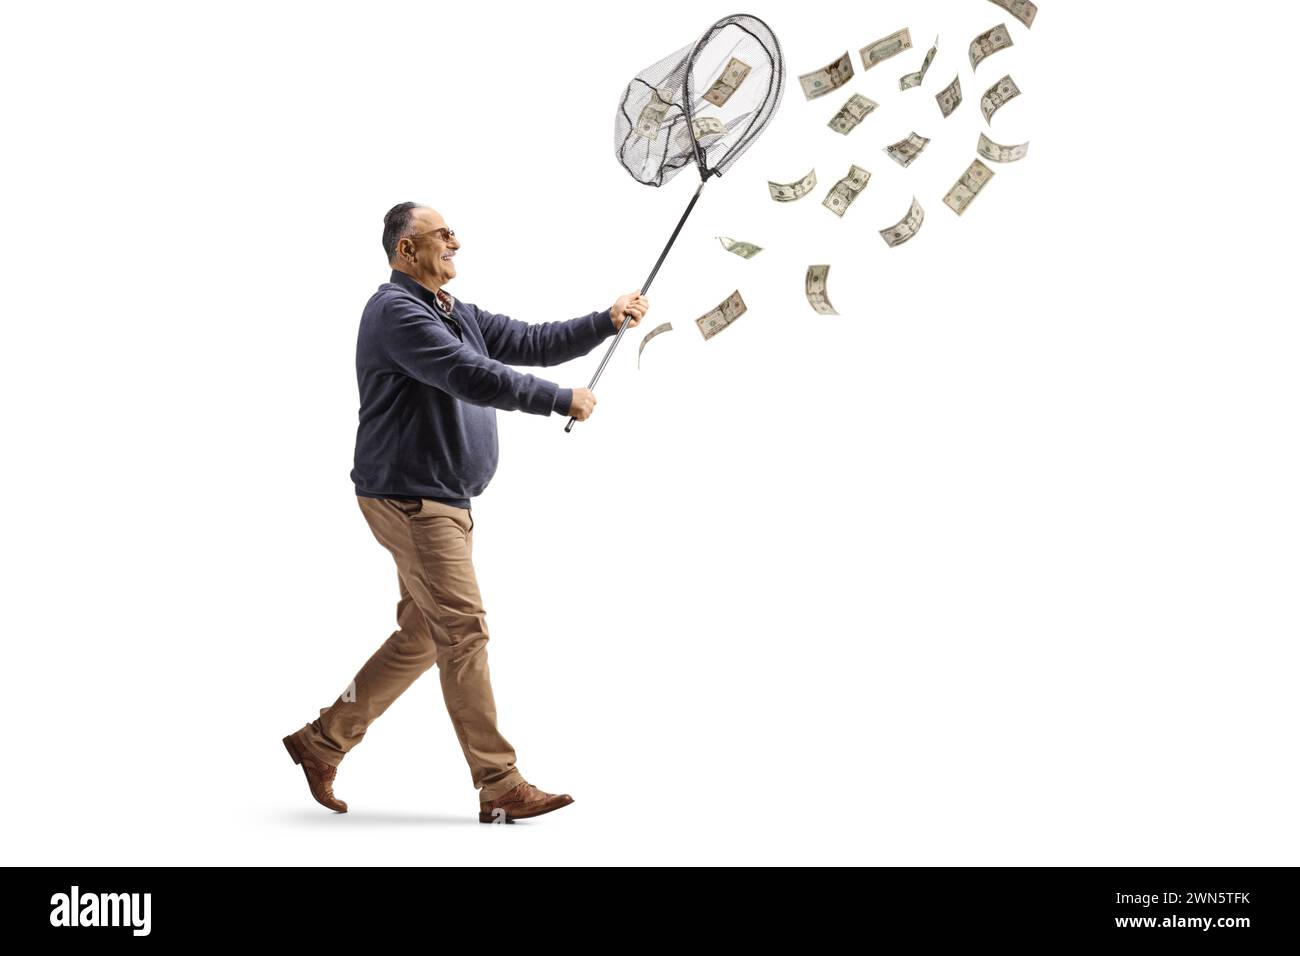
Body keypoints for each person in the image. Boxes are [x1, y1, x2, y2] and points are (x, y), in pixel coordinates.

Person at [282, 202, 649, 823]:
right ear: (406, 250)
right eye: (441, 233)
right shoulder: (395, 313)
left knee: (425, 632)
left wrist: (604, 321)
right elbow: (467, 374)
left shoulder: (456, 312)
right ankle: (499, 784)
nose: (456, 240)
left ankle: (322, 740)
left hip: (441, 497)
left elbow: (530, 340)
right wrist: (557, 399)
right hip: (411, 498)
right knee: (465, 631)